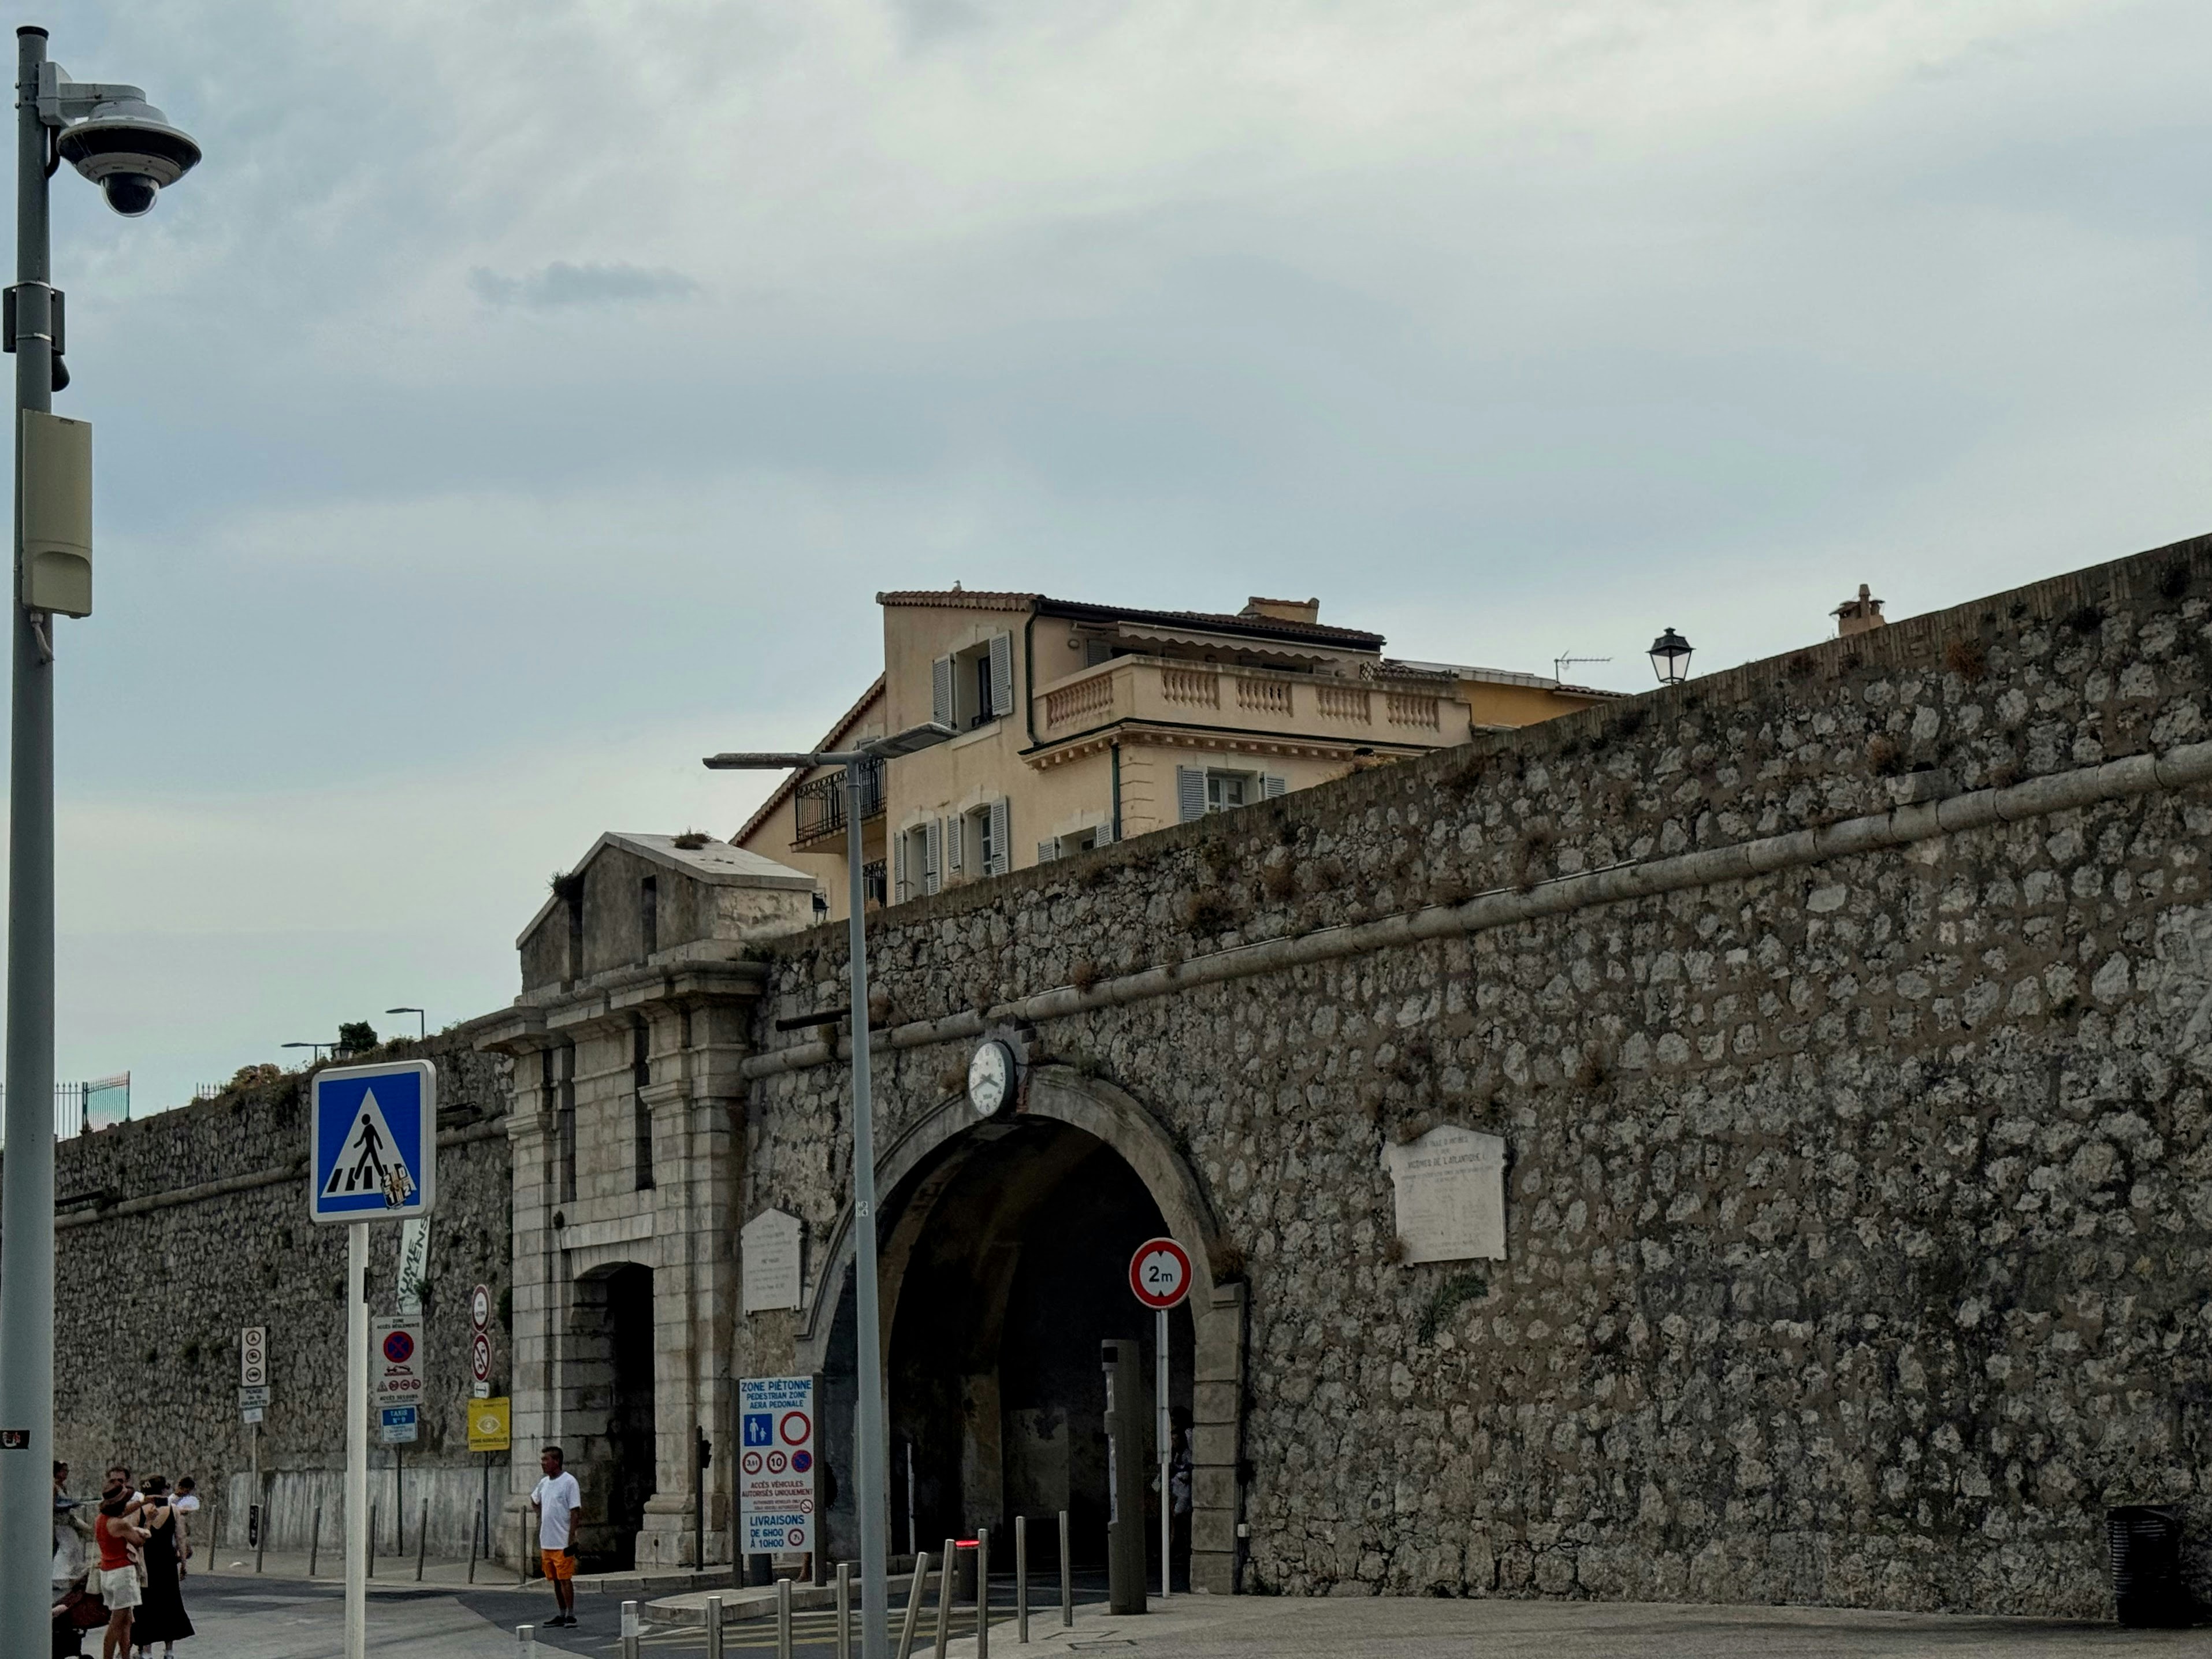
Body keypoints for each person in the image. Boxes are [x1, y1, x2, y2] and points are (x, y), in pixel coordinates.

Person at [129, 1476, 192, 1657]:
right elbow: (181, 1538)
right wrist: (184, 1565)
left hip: (146, 1562)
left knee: (146, 1605)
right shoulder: (174, 1510)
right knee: (169, 1604)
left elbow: (132, 1536)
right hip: (167, 1562)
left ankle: (146, 1650)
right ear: (164, 1490)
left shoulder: (139, 1510)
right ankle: (169, 1650)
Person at [529, 1446, 581, 1629]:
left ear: (556, 1461)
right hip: (547, 1540)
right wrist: (540, 1515)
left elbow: (575, 1511)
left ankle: (571, 1614)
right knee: (556, 1580)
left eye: (546, 1460)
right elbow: (534, 1499)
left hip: (562, 1540)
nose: (543, 1463)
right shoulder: (544, 1483)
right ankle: (561, 1612)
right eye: (542, 1460)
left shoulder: (569, 1482)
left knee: (565, 1578)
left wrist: (571, 1535)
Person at [94, 1493, 147, 1659]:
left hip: (107, 1571)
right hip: (122, 1572)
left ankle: (125, 1655)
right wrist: (148, 1525)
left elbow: (122, 1515)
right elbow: (138, 1542)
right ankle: (107, 1657)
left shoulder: (101, 1519)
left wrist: (142, 1502)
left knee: (126, 1620)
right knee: (116, 1623)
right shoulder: (120, 1524)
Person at [168, 1480, 198, 1581]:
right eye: (186, 1490)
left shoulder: (181, 1500)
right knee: (184, 1551)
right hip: (173, 1533)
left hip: (178, 1531)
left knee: (187, 1552)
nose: (187, 1493)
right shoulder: (172, 1500)